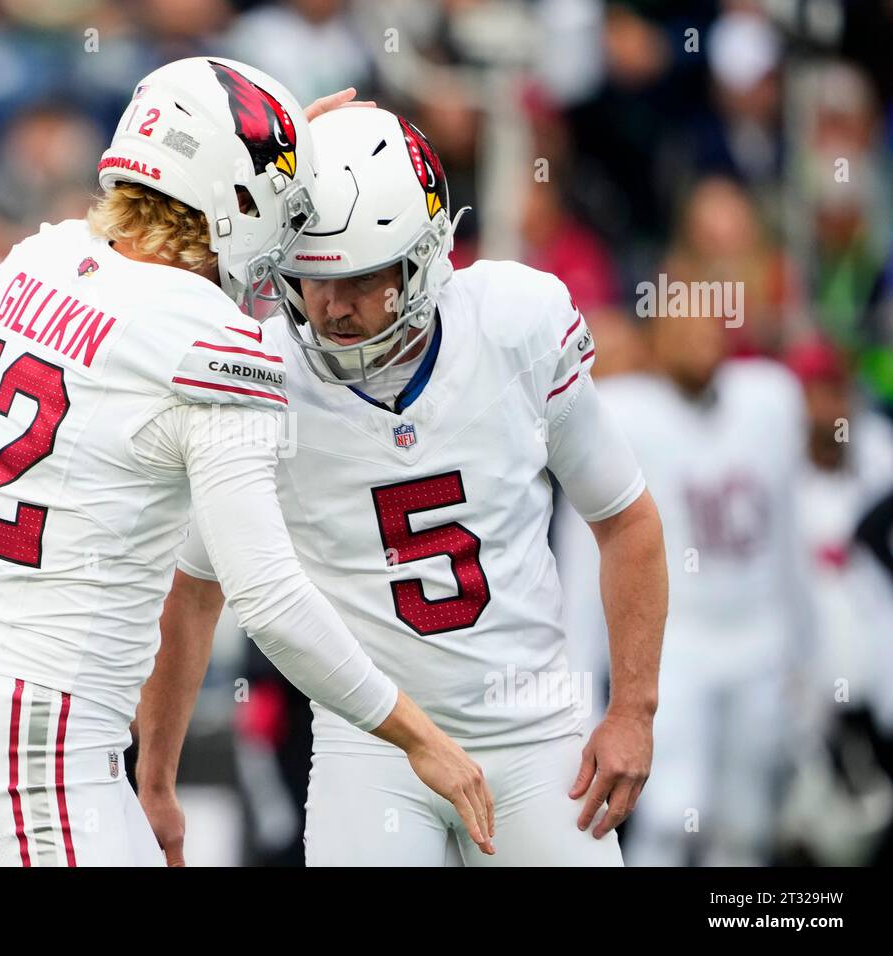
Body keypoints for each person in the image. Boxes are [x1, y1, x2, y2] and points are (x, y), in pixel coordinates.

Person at [0, 58, 495, 868]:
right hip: (41, 733)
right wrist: (415, 734)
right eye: (278, 193)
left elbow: (145, 274)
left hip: (9, 703)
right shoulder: (209, 348)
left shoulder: (39, 260)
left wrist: (270, 146)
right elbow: (268, 599)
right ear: (234, 195)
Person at [142, 106, 667, 866]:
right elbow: (194, 589)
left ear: (423, 256)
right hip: (371, 746)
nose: (328, 307)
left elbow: (626, 520)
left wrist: (633, 710)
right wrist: (156, 777)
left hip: (529, 731)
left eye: (356, 279)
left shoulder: (513, 323)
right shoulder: (259, 374)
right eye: (309, 279)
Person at [556, 282, 815, 867]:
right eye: (683, 321)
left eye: (709, 320)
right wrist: (578, 693)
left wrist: (809, 656)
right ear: (654, 336)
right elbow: (585, 557)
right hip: (677, 645)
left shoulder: (770, 399)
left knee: (748, 822)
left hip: (759, 637)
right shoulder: (622, 410)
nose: (700, 335)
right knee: (671, 818)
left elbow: (789, 539)